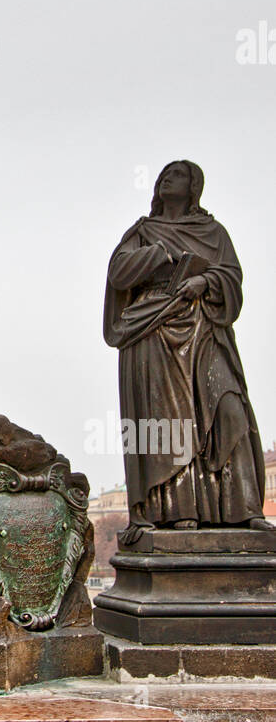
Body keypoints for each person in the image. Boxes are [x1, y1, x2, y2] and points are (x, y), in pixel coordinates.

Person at [104, 160, 268, 544]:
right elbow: (118, 273)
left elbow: (231, 277)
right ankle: (178, 513)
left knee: (229, 407)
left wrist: (204, 279)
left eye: (175, 175)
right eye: (162, 175)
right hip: (153, 329)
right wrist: (159, 254)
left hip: (204, 327)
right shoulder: (143, 232)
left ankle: (243, 509)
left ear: (194, 186)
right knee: (168, 422)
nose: (165, 180)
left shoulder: (214, 232)